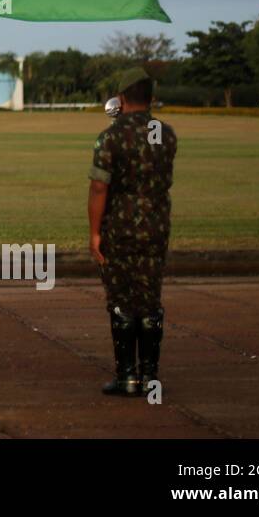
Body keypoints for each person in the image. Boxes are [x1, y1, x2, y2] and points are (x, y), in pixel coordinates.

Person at [88, 68, 177, 397]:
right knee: (150, 299)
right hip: (156, 225)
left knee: (122, 301)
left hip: (120, 225)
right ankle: (151, 377)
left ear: (122, 97)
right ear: (151, 98)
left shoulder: (111, 135)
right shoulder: (166, 133)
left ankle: (127, 377)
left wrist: (94, 232)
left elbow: (99, 187)